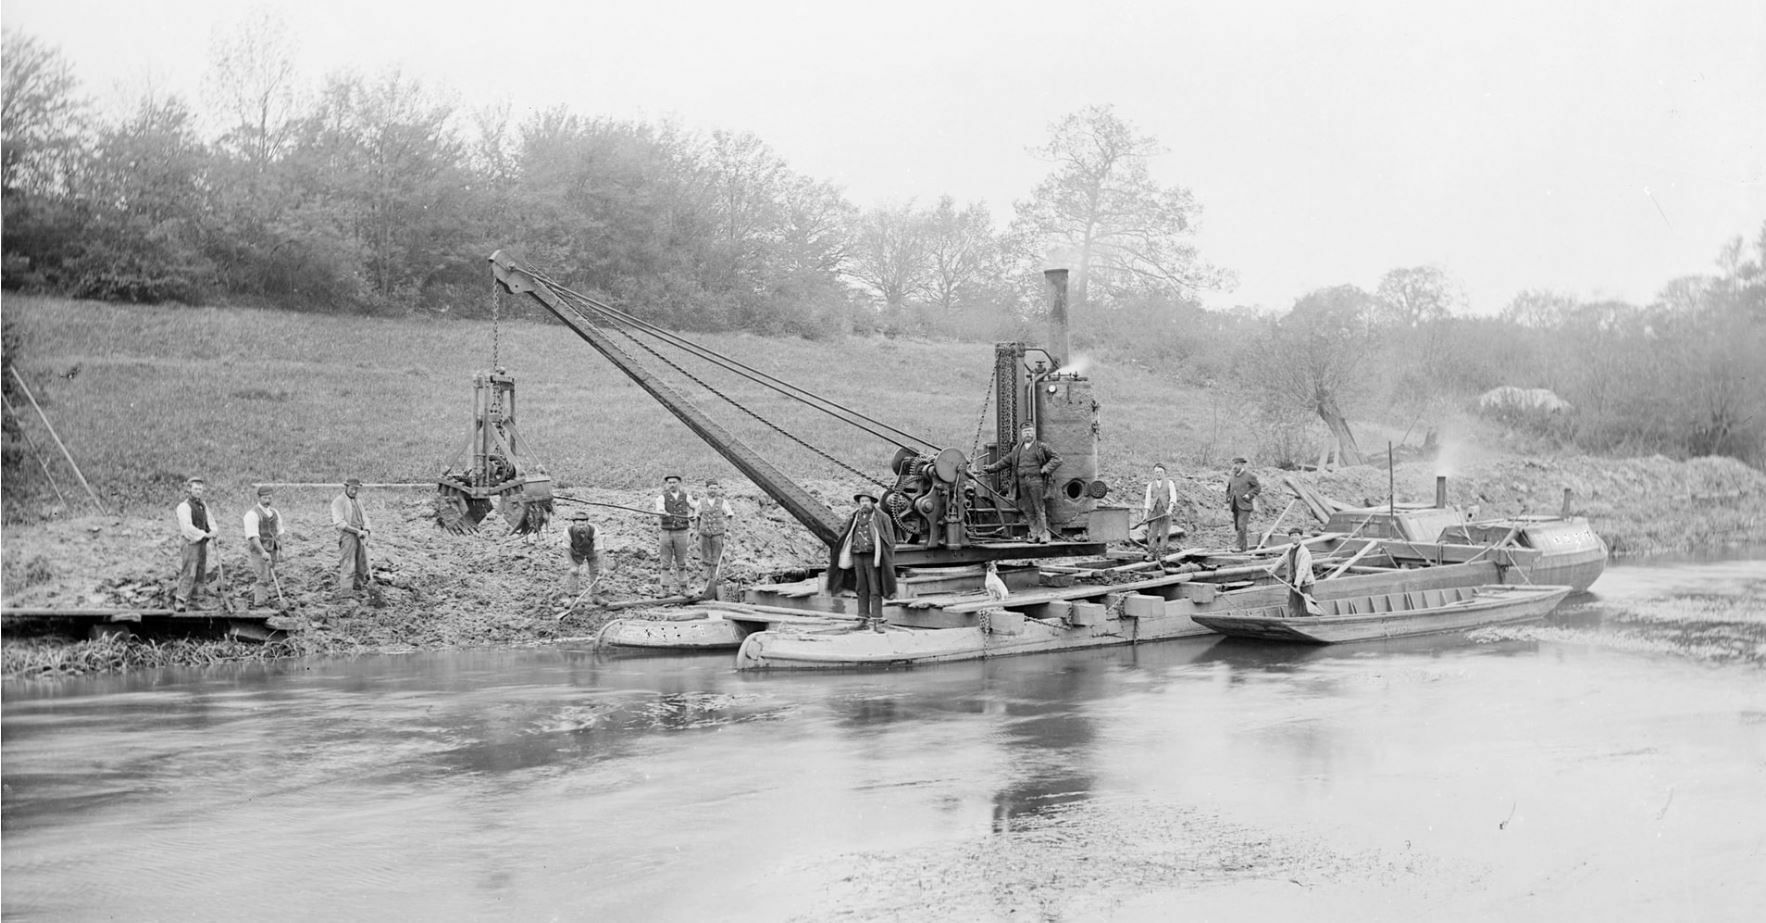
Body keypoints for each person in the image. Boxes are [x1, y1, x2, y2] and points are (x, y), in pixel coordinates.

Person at [825, 492, 896, 632]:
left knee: (875, 588)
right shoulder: (854, 516)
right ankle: (862, 619)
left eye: (867, 501)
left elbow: (890, 539)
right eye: (862, 501)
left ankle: (877, 621)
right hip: (857, 556)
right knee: (861, 588)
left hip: (872, 557)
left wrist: (886, 556)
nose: (864, 503)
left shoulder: (882, 517)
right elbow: (845, 532)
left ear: (872, 502)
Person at [982, 423, 1063, 543]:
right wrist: (991, 467)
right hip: (1021, 482)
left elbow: (1057, 459)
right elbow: (1005, 461)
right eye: (1025, 432)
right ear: (1022, 434)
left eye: (1030, 431)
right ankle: (1034, 535)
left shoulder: (1041, 447)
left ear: (1034, 432)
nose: (1028, 434)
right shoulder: (1017, 449)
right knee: (1027, 509)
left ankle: (1043, 536)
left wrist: (1045, 469)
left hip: (1036, 482)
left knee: (1039, 508)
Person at [173, 476, 220, 611]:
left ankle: (195, 600)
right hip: (190, 542)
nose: (198, 491)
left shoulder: (203, 505)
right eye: (196, 488)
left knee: (200, 571)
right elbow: (187, 528)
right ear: (189, 490)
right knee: (189, 570)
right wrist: (204, 534)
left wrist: (214, 531)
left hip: (201, 543)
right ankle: (180, 601)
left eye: (200, 489)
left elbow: (210, 521)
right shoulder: (184, 506)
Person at [242, 485, 286, 607]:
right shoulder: (252, 514)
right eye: (265, 498)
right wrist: (263, 552)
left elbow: (280, 531)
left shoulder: (275, 513)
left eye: (270, 497)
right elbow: (253, 536)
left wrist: (282, 550)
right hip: (258, 550)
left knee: (269, 576)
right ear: (259, 498)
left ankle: (265, 599)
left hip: (272, 548)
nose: (268, 500)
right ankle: (260, 603)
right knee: (262, 577)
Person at [330, 477, 373, 600]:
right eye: (352, 489)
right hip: (348, 535)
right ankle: (346, 593)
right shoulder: (338, 502)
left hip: (361, 535)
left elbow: (365, 517)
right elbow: (339, 523)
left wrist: (366, 530)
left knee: (361, 563)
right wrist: (356, 531)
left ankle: (357, 587)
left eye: (356, 489)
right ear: (346, 487)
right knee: (348, 563)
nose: (354, 492)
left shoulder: (358, 501)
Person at [653, 474, 697, 596]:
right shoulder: (661, 498)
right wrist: (663, 513)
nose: (672, 484)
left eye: (674, 482)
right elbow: (660, 511)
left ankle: (684, 588)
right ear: (667, 485)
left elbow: (697, 506)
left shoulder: (686, 497)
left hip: (682, 532)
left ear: (679, 484)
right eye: (670, 483)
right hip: (666, 532)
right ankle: (665, 589)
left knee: (682, 562)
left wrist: (694, 515)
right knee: (665, 562)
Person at [694, 479, 735, 600]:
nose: (713, 490)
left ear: (718, 489)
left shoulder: (723, 502)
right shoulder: (701, 502)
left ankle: (715, 582)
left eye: (715, 488)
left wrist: (728, 531)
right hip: (704, 533)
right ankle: (705, 582)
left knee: (717, 558)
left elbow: (730, 516)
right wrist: (697, 531)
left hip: (718, 533)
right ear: (706, 489)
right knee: (705, 558)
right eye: (711, 488)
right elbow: (697, 517)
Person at [563, 510, 602, 605]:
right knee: (573, 572)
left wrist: (602, 566)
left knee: (595, 571)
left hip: (591, 550)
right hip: (576, 551)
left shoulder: (594, 531)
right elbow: (566, 550)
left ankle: (596, 596)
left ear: (587, 523)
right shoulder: (568, 532)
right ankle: (573, 597)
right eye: (579, 525)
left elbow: (600, 549)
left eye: (583, 525)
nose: (581, 527)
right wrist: (572, 566)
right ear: (574, 524)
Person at [1276, 527, 1317, 617]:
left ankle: (1309, 620)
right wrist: (1273, 570)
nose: (1294, 537)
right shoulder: (1290, 549)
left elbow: (1303, 569)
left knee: (1306, 603)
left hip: (1306, 582)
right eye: (1292, 535)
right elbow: (1282, 559)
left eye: (1296, 535)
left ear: (1301, 536)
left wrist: (1297, 585)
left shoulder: (1304, 552)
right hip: (1294, 581)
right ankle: (1295, 618)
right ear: (1290, 537)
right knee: (1293, 603)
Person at [1143, 463, 1178, 562]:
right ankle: (1151, 554)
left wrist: (1170, 509)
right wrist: (1146, 514)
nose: (1158, 474)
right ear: (1154, 473)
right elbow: (1147, 500)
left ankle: (1162, 554)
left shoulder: (1170, 483)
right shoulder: (1151, 485)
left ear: (1164, 473)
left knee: (1164, 533)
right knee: (1152, 534)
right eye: (1156, 472)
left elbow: (1173, 497)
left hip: (1165, 511)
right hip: (1153, 511)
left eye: (1160, 472)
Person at [1226, 456, 1262, 552]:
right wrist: (1228, 497)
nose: (1235, 466)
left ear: (1242, 465)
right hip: (1234, 504)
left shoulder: (1249, 476)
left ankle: (1238, 547)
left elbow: (1257, 488)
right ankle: (1243, 548)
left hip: (1245, 505)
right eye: (1234, 464)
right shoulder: (1232, 476)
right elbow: (1229, 488)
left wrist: (1249, 495)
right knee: (1238, 527)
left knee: (1242, 526)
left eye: (1237, 464)